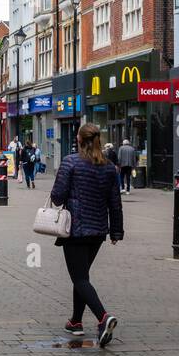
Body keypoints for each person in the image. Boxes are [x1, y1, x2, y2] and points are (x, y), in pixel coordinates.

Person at [49, 123, 124, 343]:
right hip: (98, 230)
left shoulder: (70, 162)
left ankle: (103, 317)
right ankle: (75, 322)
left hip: (75, 230)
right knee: (82, 276)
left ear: (79, 140)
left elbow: (57, 197)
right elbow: (115, 203)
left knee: (80, 277)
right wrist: (116, 231)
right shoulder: (109, 167)